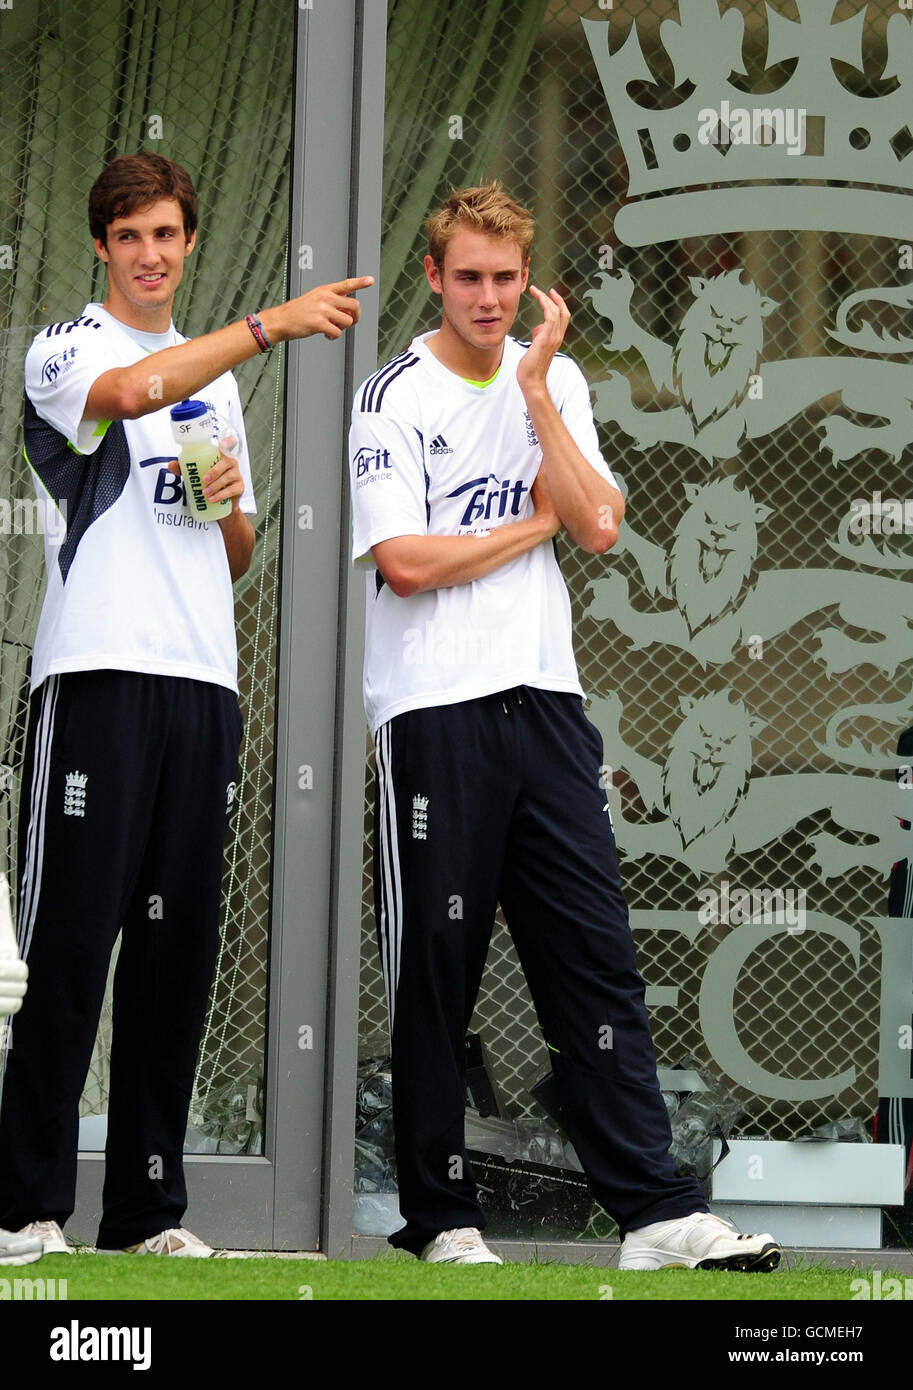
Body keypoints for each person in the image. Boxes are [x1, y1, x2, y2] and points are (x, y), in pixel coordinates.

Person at [347, 182, 780, 1271]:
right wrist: (528, 522)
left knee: (594, 960)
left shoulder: (560, 378)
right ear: (436, 278)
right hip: (433, 709)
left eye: (506, 279)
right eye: (470, 278)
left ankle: (653, 1215)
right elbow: (405, 562)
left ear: (524, 280)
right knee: (438, 964)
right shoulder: (390, 395)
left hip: (548, 703)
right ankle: (441, 1220)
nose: (490, 299)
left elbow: (593, 524)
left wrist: (536, 391)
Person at [0, 152, 371, 1257]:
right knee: (70, 953)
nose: (151, 256)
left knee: (175, 959)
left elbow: (239, 547)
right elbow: (121, 398)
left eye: (167, 235)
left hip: (203, 685)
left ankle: (149, 1214)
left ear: (189, 240)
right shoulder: (69, 348)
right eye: (131, 238)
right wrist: (271, 325)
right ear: (103, 248)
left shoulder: (212, 384)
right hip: (97, 675)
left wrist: (224, 506)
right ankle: (24, 1209)